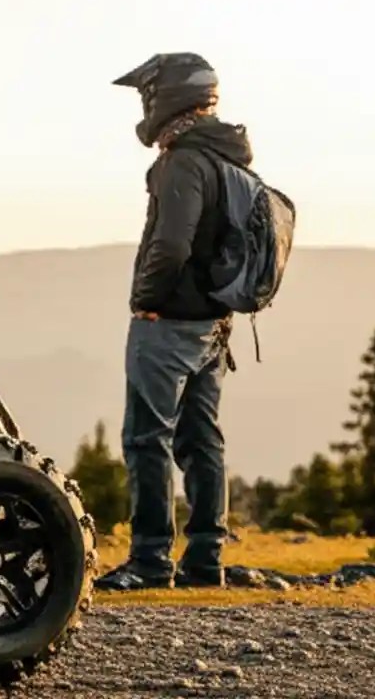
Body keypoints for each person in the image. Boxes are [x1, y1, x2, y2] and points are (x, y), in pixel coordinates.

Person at [97, 52, 254, 590]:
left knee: (146, 439)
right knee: (202, 440)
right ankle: (207, 560)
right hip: (214, 324)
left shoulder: (181, 161)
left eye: (148, 95)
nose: (144, 106)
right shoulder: (226, 156)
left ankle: (149, 561)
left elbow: (171, 243)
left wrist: (145, 299)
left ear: (167, 97)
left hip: (168, 324)